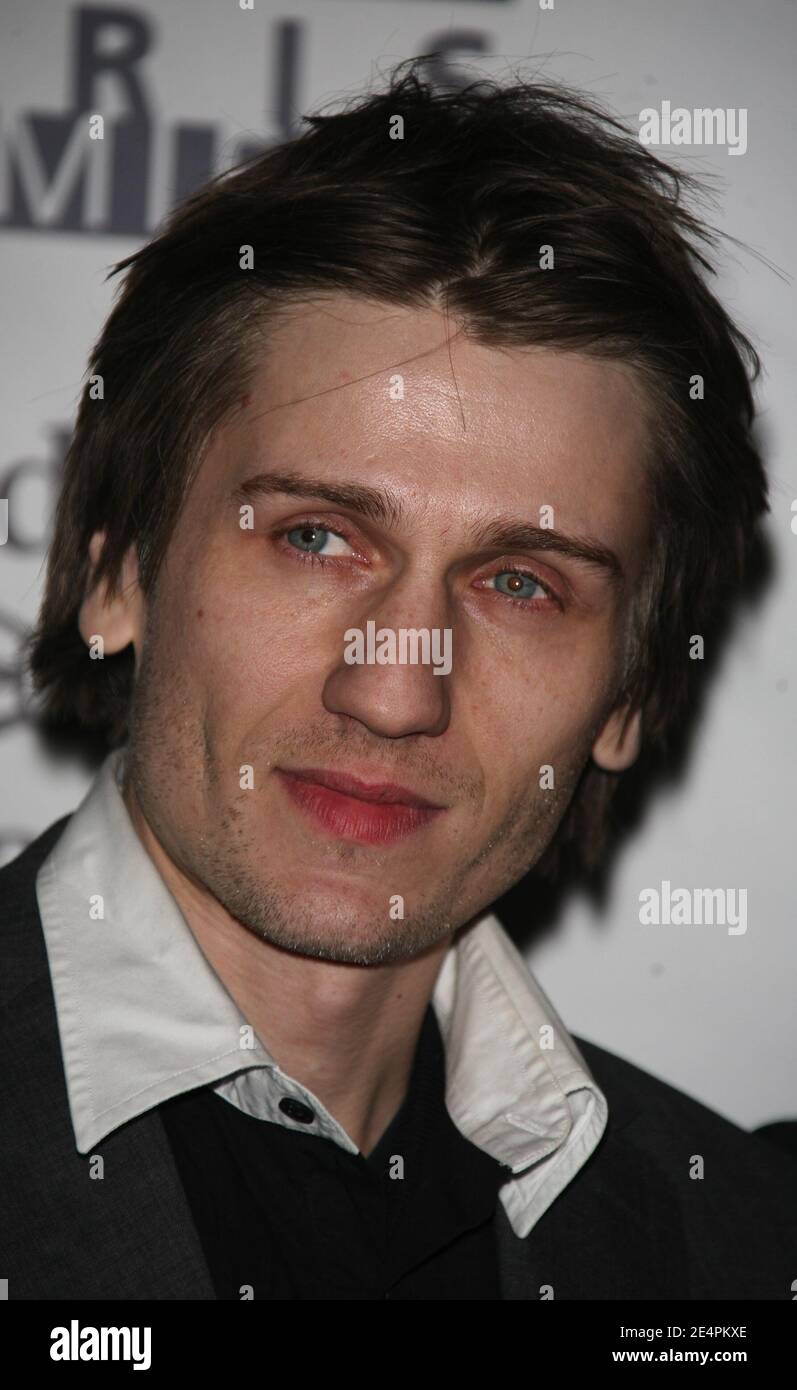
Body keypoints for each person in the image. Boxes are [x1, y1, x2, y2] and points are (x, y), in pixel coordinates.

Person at [2, 59, 794, 1301]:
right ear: (117, 572)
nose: (394, 693)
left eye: (519, 583)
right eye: (316, 537)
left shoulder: (739, 1247)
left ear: (630, 696)